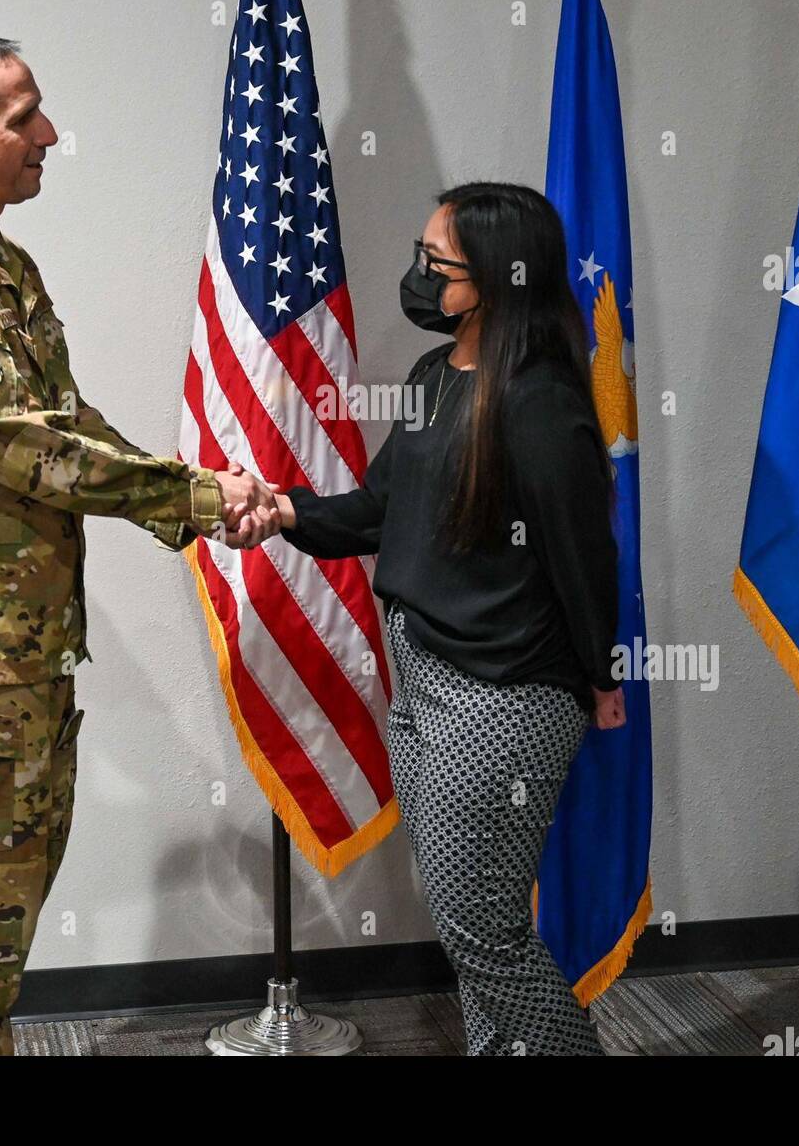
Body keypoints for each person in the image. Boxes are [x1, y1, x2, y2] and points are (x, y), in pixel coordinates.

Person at [0, 32, 276, 1057]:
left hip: (10, 648)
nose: (49, 135)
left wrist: (189, 500)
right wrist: (201, 498)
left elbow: (64, 420)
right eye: (22, 117)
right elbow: (25, 449)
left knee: (0, 906)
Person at [253, 181, 625, 1055]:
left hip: (502, 697)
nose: (419, 277)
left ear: (498, 278)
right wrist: (284, 511)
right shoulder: (434, 376)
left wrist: (603, 678)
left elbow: (584, 559)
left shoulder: (539, 404)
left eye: (438, 265)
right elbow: (379, 510)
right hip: (419, 677)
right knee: (470, 921)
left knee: (484, 932)